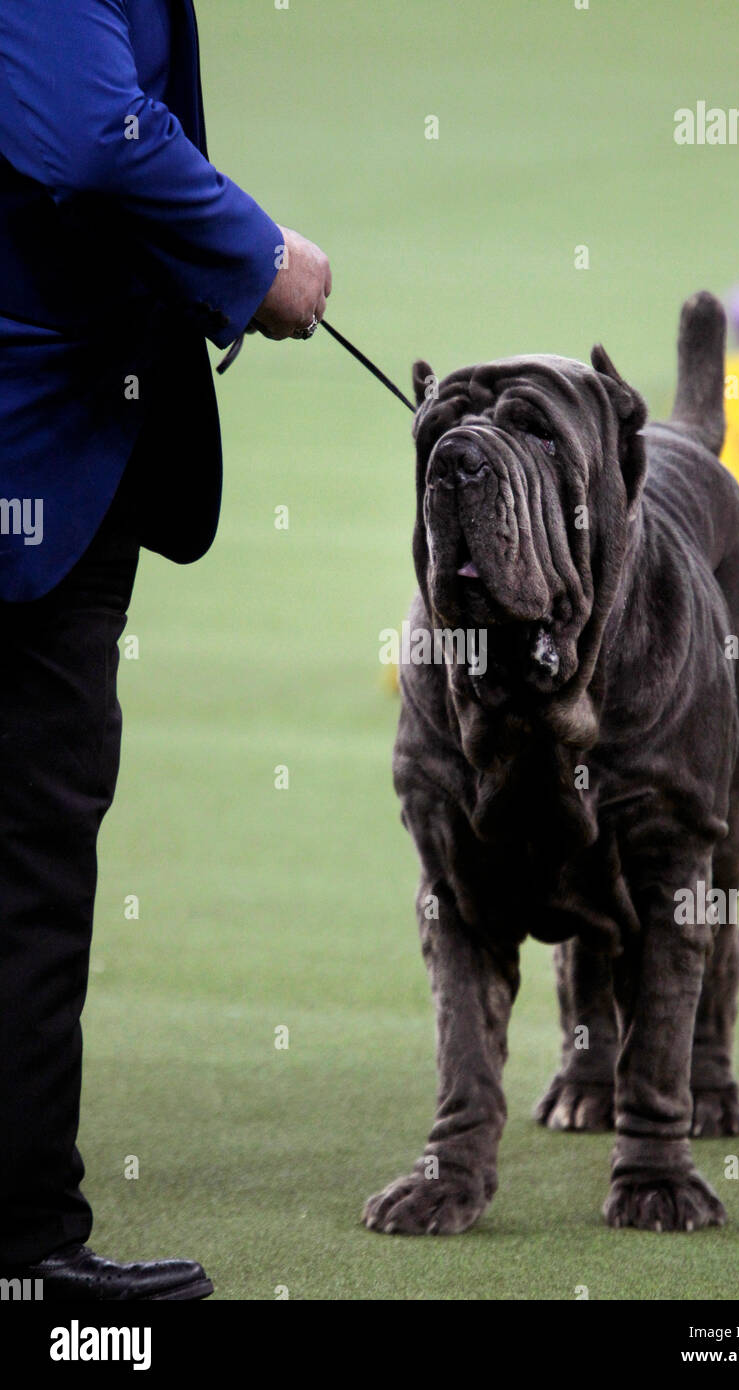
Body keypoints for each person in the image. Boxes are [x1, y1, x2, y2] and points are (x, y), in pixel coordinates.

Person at [0, 0, 331, 1300]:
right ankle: (24, 1253)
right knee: (26, 854)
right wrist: (252, 254)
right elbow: (86, 135)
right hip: (33, 450)